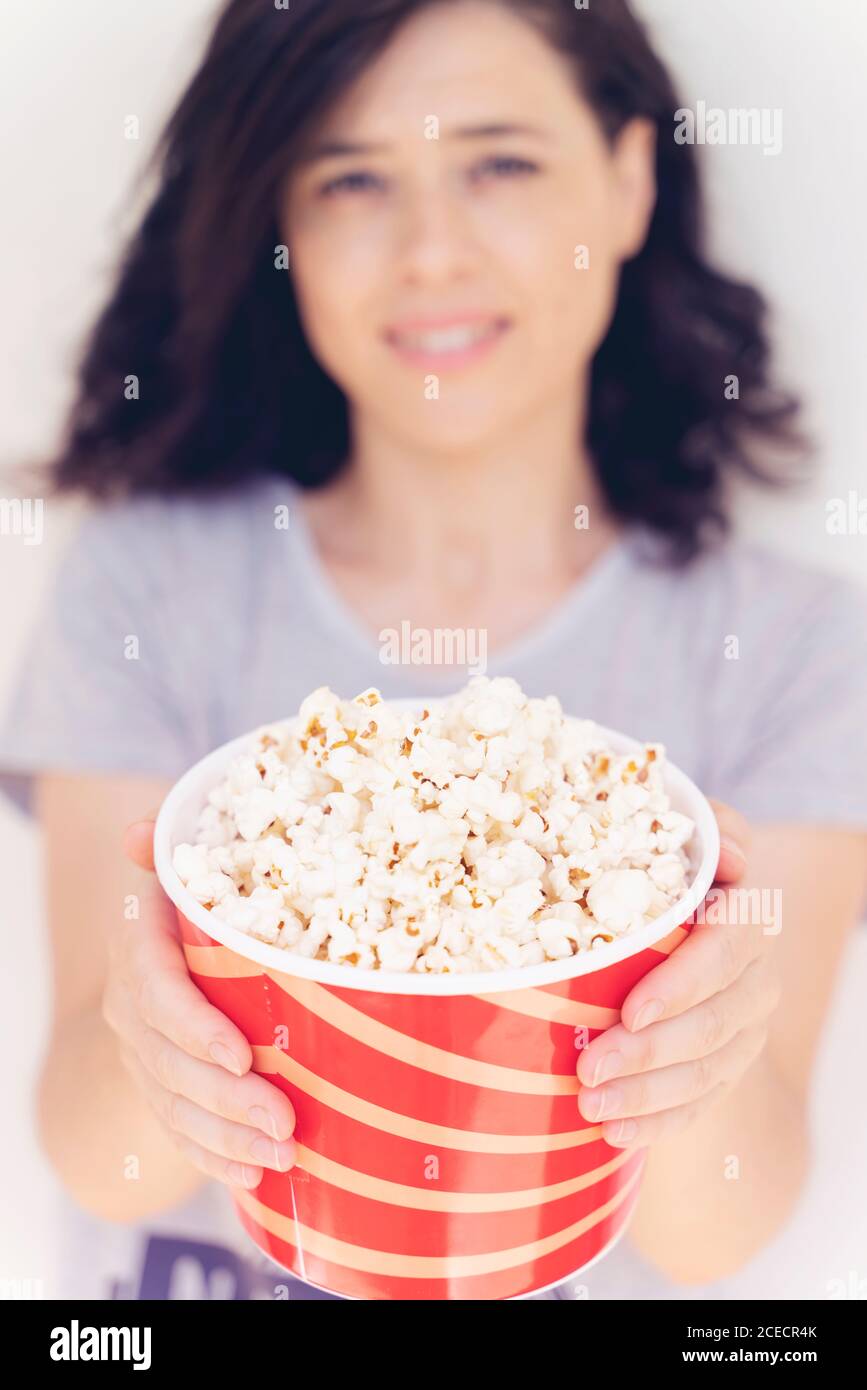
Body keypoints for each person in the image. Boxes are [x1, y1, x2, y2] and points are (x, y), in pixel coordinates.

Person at [3, 0, 866, 1302]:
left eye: (501, 162)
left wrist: (699, 1048)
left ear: (630, 180)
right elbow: (93, 1153)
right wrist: (151, 1035)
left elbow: (720, 1229)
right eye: (352, 179)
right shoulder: (152, 583)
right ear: (280, 225)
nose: (432, 252)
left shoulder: (798, 647)